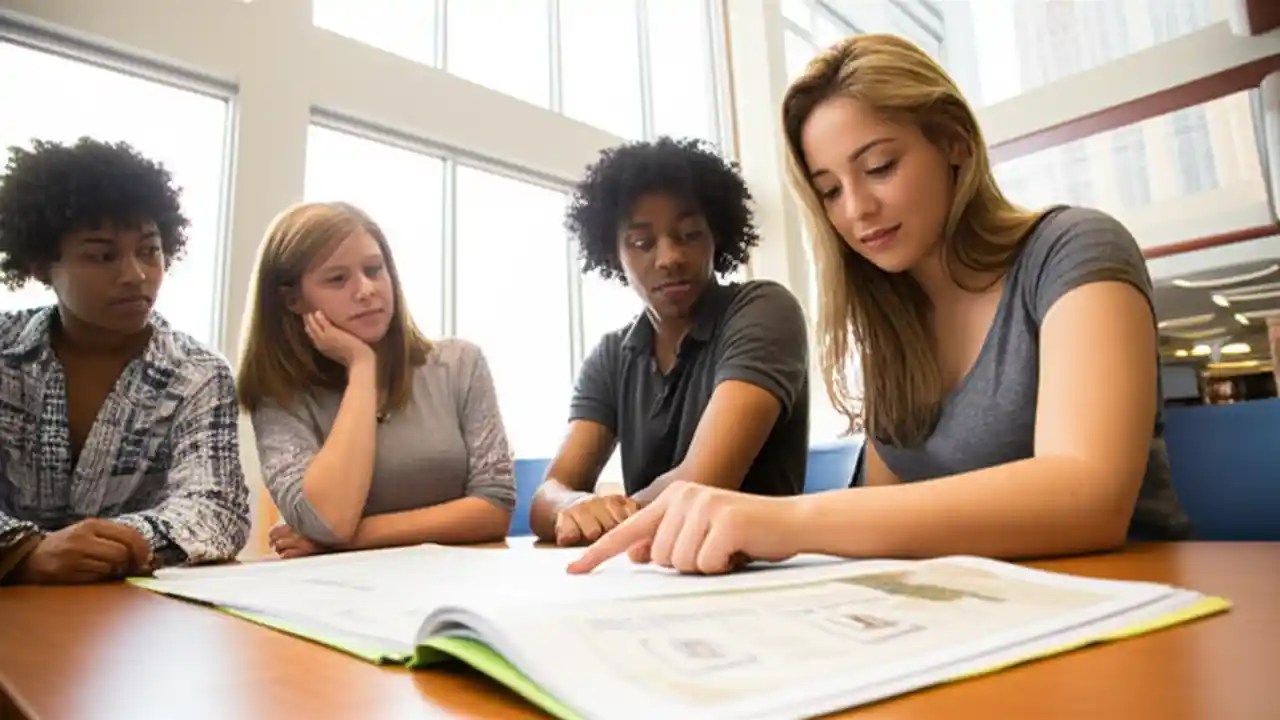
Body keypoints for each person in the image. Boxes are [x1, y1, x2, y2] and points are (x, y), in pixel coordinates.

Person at [569, 35, 1190, 576]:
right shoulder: (892, 321)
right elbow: (888, 518)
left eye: (880, 166)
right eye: (830, 191)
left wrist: (787, 520)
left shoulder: (1073, 248)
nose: (856, 210)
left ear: (952, 143)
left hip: (1125, 603)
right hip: (979, 619)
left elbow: (1088, 495)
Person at [530, 137, 810, 547]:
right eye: (642, 243)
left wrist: (609, 515)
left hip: (754, 572)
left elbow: (702, 482)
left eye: (690, 234)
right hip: (656, 572)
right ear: (614, 256)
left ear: (717, 236)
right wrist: (570, 505)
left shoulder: (763, 310)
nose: (669, 257)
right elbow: (549, 493)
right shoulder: (612, 356)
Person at [0, 137, 250, 585]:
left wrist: (108, 544)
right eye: (102, 255)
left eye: (149, 250)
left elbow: (217, 508)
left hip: (131, 619)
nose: (135, 274)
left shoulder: (198, 374)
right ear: (40, 265)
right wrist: (25, 550)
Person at [238, 201, 515, 558]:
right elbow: (330, 521)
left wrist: (353, 538)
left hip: (456, 587)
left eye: (374, 269)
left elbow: (493, 508)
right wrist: (361, 367)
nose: (366, 289)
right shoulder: (279, 396)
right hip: (338, 598)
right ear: (292, 299)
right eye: (337, 279)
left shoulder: (461, 364)